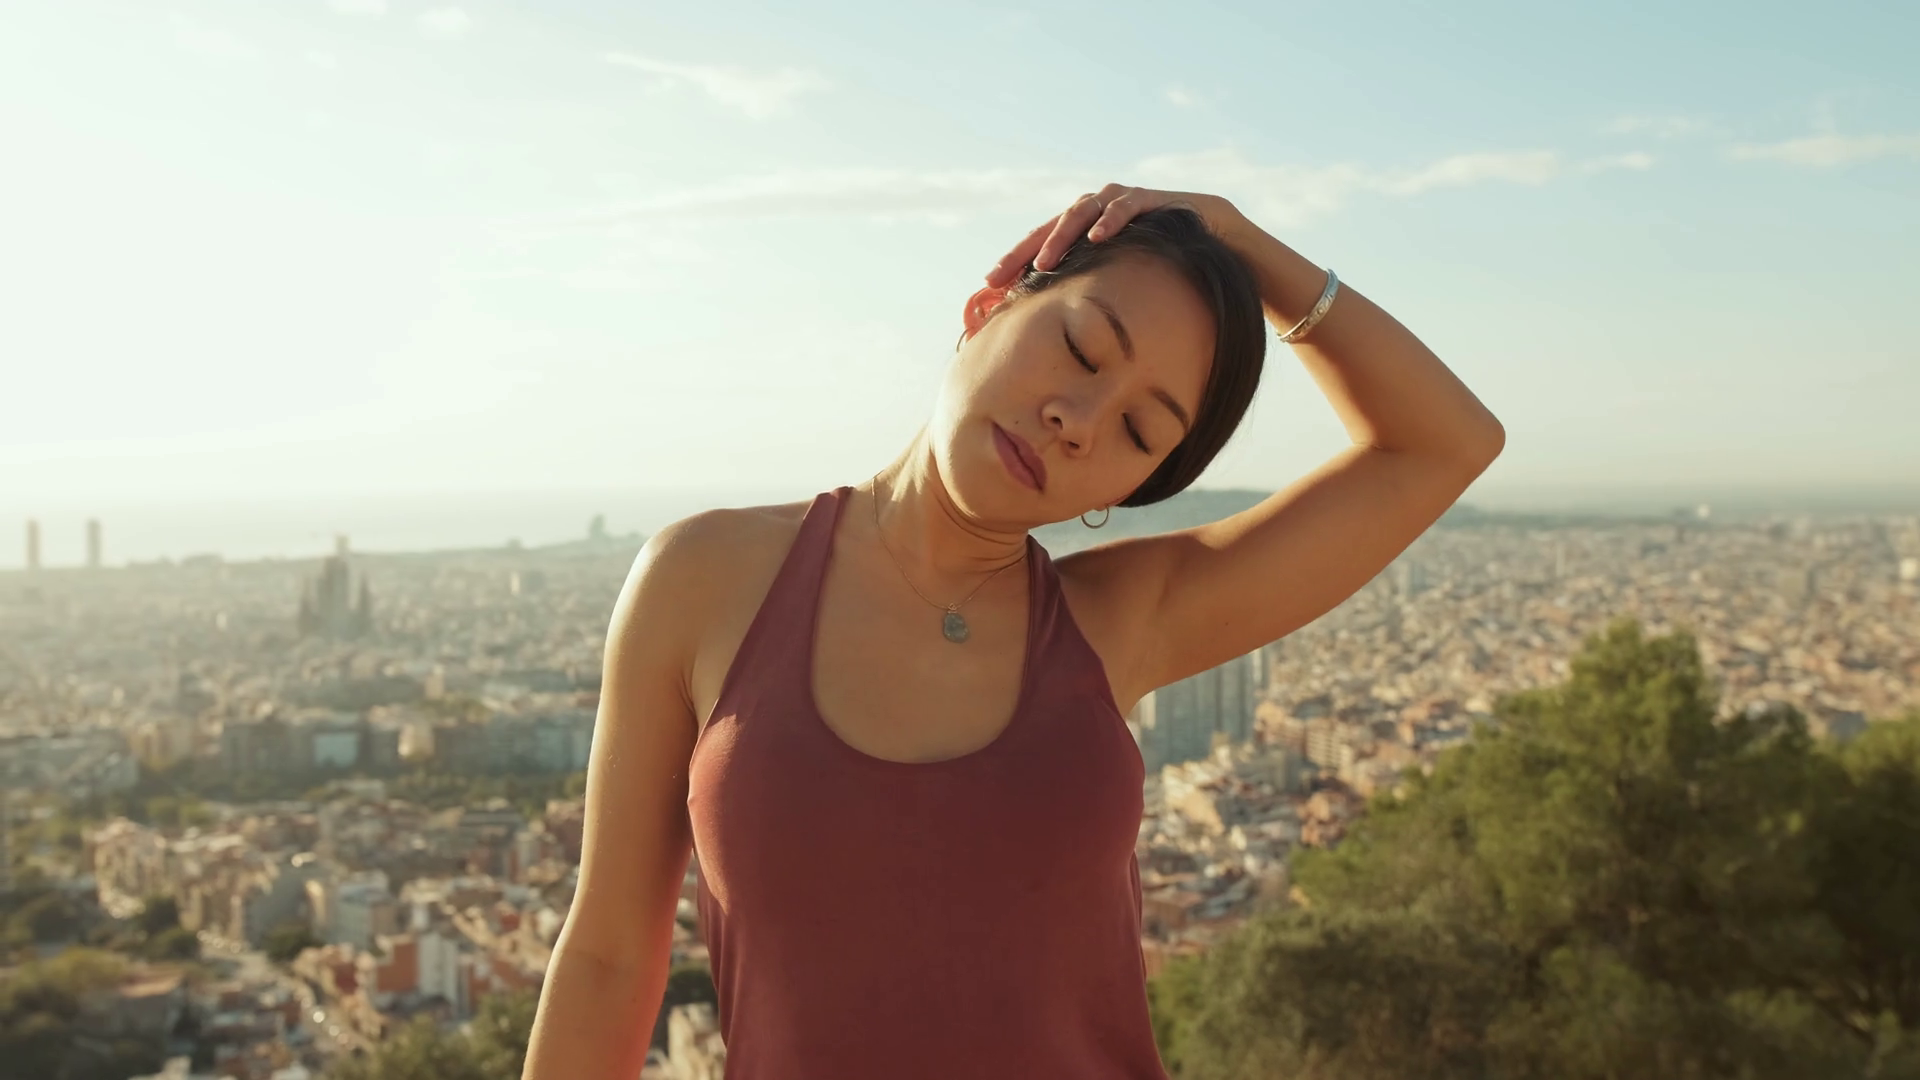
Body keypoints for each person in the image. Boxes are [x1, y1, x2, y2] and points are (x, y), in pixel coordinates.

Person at [520, 183, 1505, 1079]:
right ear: (988, 305)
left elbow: (1443, 444)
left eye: (1139, 433)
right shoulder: (707, 576)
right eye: (1081, 349)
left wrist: (1241, 239)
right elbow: (608, 957)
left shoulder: (1120, 619)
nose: (1081, 420)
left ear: (1130, 489)